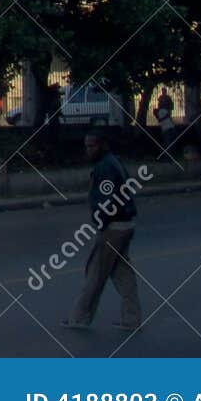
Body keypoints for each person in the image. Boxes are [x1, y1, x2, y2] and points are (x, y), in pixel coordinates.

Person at [61, 131, 143, 332]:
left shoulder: (104, 168)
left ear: (103, 145)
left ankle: (79, 317)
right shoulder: (113, 162)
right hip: (125, 224)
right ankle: (132, 319)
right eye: (87, 146)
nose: (88, 150)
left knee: (96, 273)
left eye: (92, 146)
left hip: (113, 227)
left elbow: (107, 200)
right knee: (122, 273)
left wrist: (101, 221)